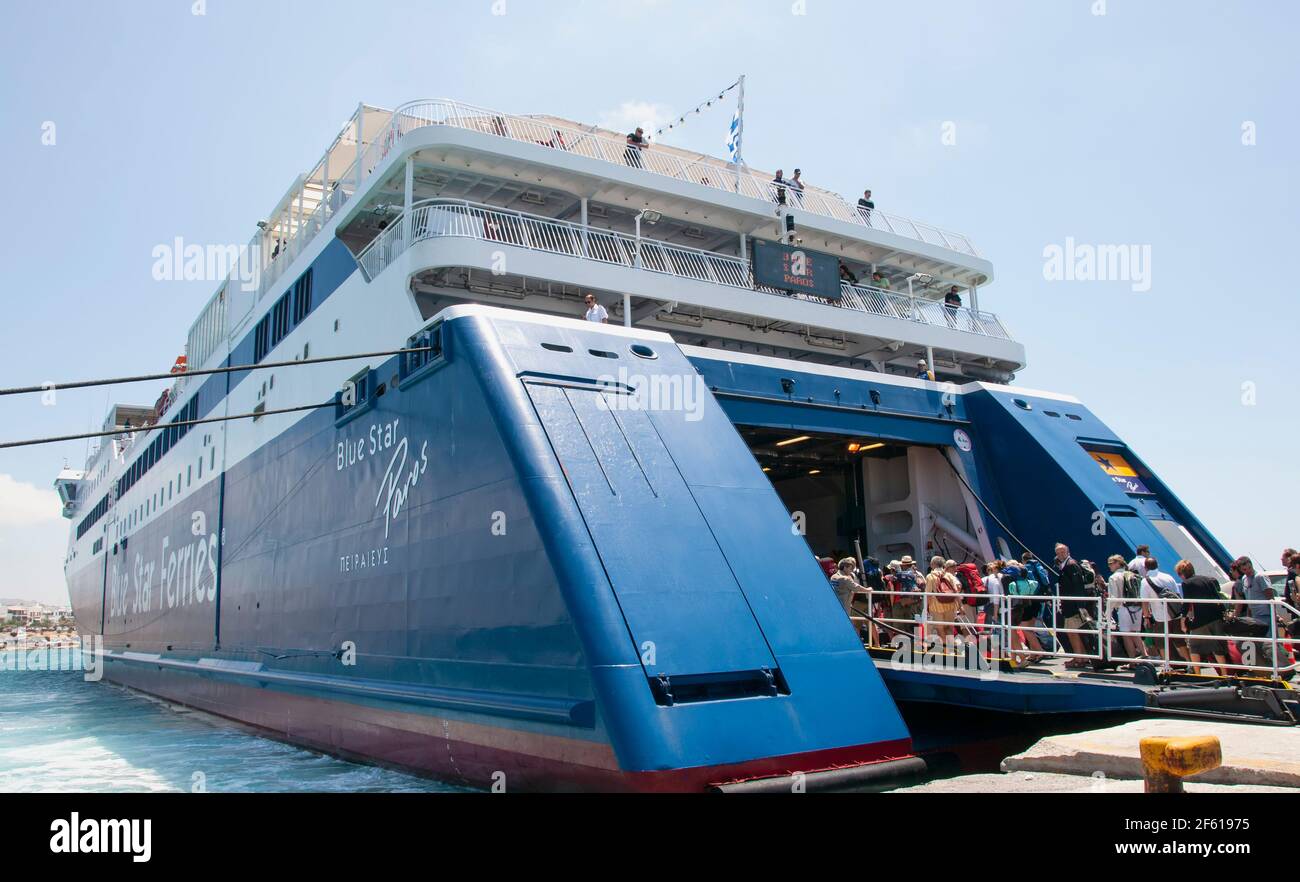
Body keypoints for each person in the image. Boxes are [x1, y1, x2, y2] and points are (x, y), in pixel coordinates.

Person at [1177, 559, 1229, 676]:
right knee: (1217, 647)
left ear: (1182, 573)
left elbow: (1187, 603)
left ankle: (1197, 674)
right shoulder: (1207, 579)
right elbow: (1217, 598)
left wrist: (1182, 620)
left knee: (1194, 646)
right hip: (1216, 617)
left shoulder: (1187, 583)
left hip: (1201, 619)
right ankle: (1225, 673)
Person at [1053, 543, 1093, 668]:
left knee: (1072, 632)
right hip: (1072, 604)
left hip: (1072, 605)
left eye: (1062, 552)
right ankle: (1082, 656)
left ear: (1068, 552)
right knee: (1075, 632)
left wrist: (1079, 605)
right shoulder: (1067, 565)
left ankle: (1078, 659)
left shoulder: (1071, 565)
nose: (1060, 555)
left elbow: (1077, 586)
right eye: (1058, 553)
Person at [1234, 556, 1277, 671]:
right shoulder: (1244, 579)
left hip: (1265, 615)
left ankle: (1277, 668)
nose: (1248, 571)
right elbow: (1248, 599)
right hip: (1255, 616)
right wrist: (1249, 616)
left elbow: (1270, 595)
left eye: (1249, 568)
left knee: (1270, 643)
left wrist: (1274, 615)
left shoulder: (1260, 576)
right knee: (1259, 643)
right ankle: (1266, 668)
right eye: (1244, 569)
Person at [1141, 557, 1184, 662]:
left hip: (1160, 616)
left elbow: (1144, 602)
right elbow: (1177, 594)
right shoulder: (1168, 577)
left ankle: (1167, 665)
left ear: (1145, 568)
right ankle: (1190, 664)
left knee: (1161, 642)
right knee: (1179, 641)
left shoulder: (1145, 581)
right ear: (1158, 565)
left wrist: (1146, 617)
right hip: (1175, 614)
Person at [1107, 554, 1148, 662]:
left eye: (1111, 564)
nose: (1109, 566)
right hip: (1136, 607)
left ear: (1117, 563)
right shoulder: (1133, 575)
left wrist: (1108, 612)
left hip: (1123, 608)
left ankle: (1132, 660)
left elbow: (1114, 597)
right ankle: (1144, 654)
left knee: (1126, 635)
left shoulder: (1114, 577)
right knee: (1135, 633)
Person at [925, 556, 961, 644]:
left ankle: (946, 650)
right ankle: (952, 649)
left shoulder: (930, 576)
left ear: (933, 565)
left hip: (936, 606)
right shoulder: (948, 575)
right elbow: (958, 588)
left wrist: (927, 607)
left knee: (940, 629)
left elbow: (928, 594)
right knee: (949, 628)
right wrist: (960, 605)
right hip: (951, 605)